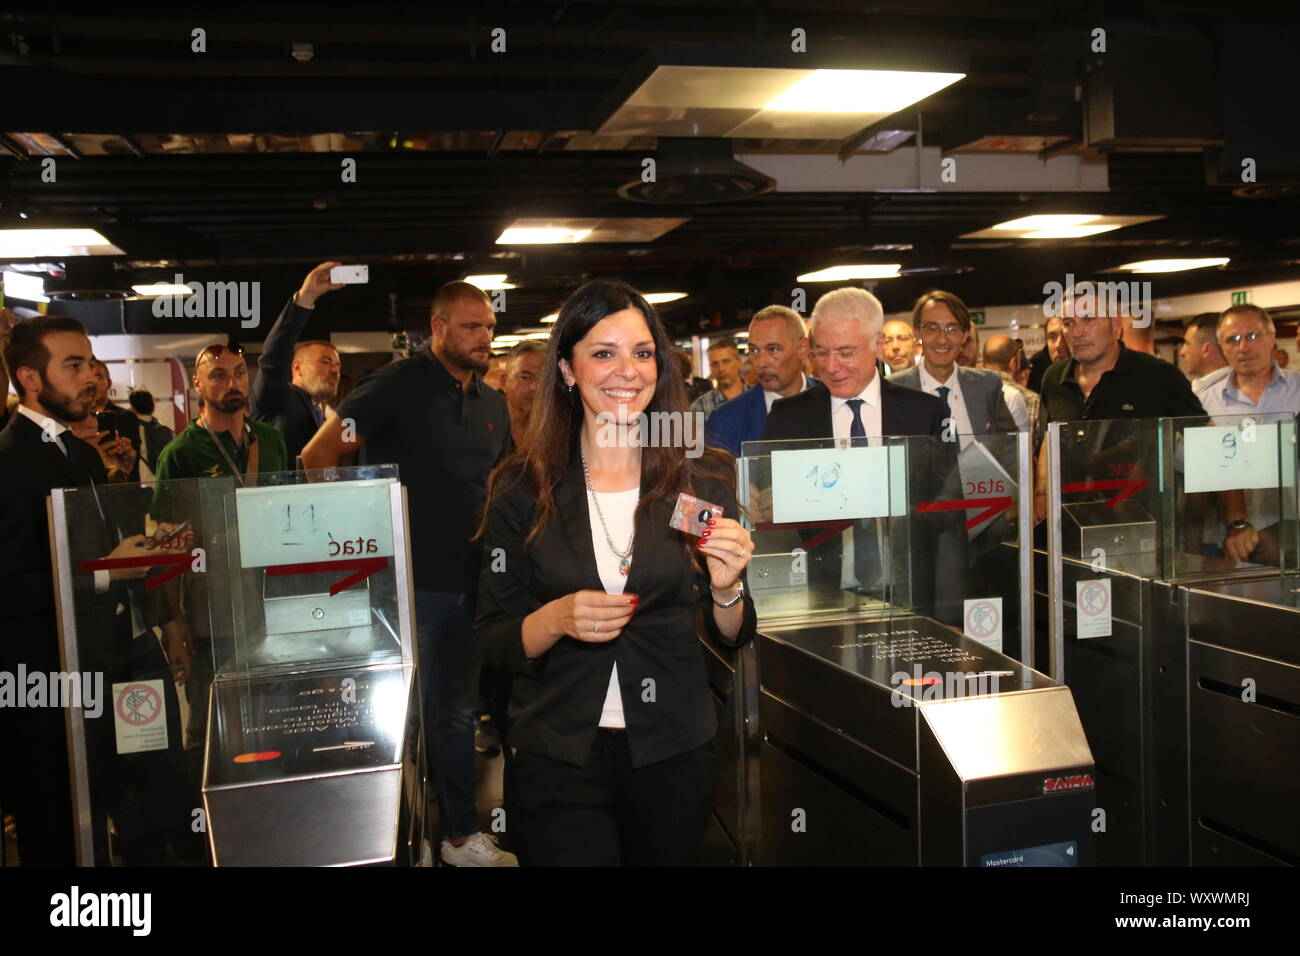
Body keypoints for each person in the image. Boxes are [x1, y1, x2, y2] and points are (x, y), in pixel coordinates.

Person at [474, 278, 756, 866]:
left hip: (673, 752)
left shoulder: (700, 479)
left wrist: (728, 590)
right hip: (558, 755)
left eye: (642, 352)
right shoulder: (522, 489)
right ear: (568, 370)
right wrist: (552, 619)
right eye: (603, 353)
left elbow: (731, 633)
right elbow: (492, 639)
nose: (626, 370)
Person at [301, 280, 516, 867]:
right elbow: (317, 456)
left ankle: (454, 837)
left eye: (490, 328)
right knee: (393, 719)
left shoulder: (493, 405)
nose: (484, 338)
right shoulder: (395, 386)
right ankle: (393, 840)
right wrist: (351, 551)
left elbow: (503, 492)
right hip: (402, 588)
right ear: (439, 328)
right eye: (472, 327)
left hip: (470, 586)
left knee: (454, 715)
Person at [0, 315, 190, 866]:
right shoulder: (10, 461)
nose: (91, 377)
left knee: (116, 808)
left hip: (107, 667)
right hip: (44, 686)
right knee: (56, 824)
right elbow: (10, 586)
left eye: (91, 363)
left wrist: (148, 553)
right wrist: (106, 571)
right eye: (74, 365)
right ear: (31, 379)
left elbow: (98, 551)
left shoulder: (81, 454)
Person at [763, 287, 962, 623]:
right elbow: (771, 514)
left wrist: (949, 607)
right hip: (820, 598)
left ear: (878, 344)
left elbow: (947, 507)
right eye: (821, 352)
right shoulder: (788, 418)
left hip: (910, 592)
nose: (831, 366)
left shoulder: (924, 412)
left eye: (845, 352)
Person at [1034, 302, 1204, 523]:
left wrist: (1233, 519)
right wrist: (1041, 494)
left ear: (1115, 323)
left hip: (1141, 525)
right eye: (1069, 323)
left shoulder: (1158, 375)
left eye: (1089, 319)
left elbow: (1206, 439)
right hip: (1068, 525)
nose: (1078, 332)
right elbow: (1050, 437)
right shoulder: (1054, 378)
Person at [1198, 304, 1300, 563]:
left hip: (1295, 538)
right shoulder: (1204, 403)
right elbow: (1199, 471)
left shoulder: (1298, 391)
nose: (1243, 347)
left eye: (1253, 336)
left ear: (1272, 336)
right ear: (1221, 347)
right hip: (1230, 545)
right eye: (1233, 340)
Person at [251, 262, 345, 464]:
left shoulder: (323, 413)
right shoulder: (277, 396)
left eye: (337, 366)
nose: (334, 370)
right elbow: (273, 357)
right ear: (297, 367)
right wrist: (305, 298)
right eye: (325, 362)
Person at [889, 291, 1017, 435]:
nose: (942, 339)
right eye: (932, 328)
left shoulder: (987, 386)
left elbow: (1009, 446)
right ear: (917, 332)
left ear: (964, 335)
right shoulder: (893, 390)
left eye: (952, 329)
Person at [705, 305, 817, 458]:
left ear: (802, 348)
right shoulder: (724, 421)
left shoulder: (836, 401)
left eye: (773, 349)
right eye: (754, 351)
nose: (761, 362)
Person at [982, 334, 1043, 452]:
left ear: (983, 364)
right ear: (1014, 362)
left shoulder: (970, 393)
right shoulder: (1033, 399)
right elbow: (1036, 449)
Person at [503, 340, 545, 449]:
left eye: (543, 379)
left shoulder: (556, 432)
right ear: (504, 381)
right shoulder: (486, 427)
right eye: (525, 378)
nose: (535, 387)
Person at [126, 388, 176, 480]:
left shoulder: (133, 429)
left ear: (133, 407)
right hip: (164, 479)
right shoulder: (163, 428)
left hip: (143, 480)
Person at [689, 336, 744, 419]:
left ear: (739, 363)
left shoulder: (759, 398)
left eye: (726, 362)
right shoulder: (699, 408)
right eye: (715, 364)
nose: (721, 369)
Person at [1181, 312, 1230, 396]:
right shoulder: (1203, 388)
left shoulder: (1223, 394)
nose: (1182, 352)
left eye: (1187, 343)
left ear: (1206, 349)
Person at [1027, 314, 1068, 393]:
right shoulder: (1035, 369)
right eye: (1052, 337)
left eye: (1065, 336)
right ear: (1046, 341)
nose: (1058, 345)